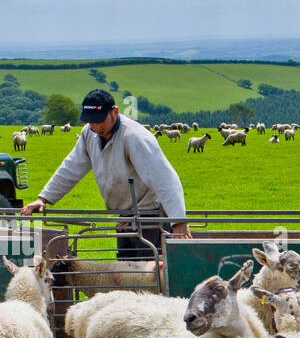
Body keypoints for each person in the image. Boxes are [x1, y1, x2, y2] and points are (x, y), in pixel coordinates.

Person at [21, 90, 191, 256]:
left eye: (100, 120)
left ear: (114, 112)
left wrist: (179, 223)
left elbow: (164, 178)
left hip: (150, 218)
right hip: (125, 216)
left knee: (149, 272)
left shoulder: (134, 136)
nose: (96, 126)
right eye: (91, 121)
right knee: (125, 271)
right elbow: (71, 167)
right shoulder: (89, 134)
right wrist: (43, 198)